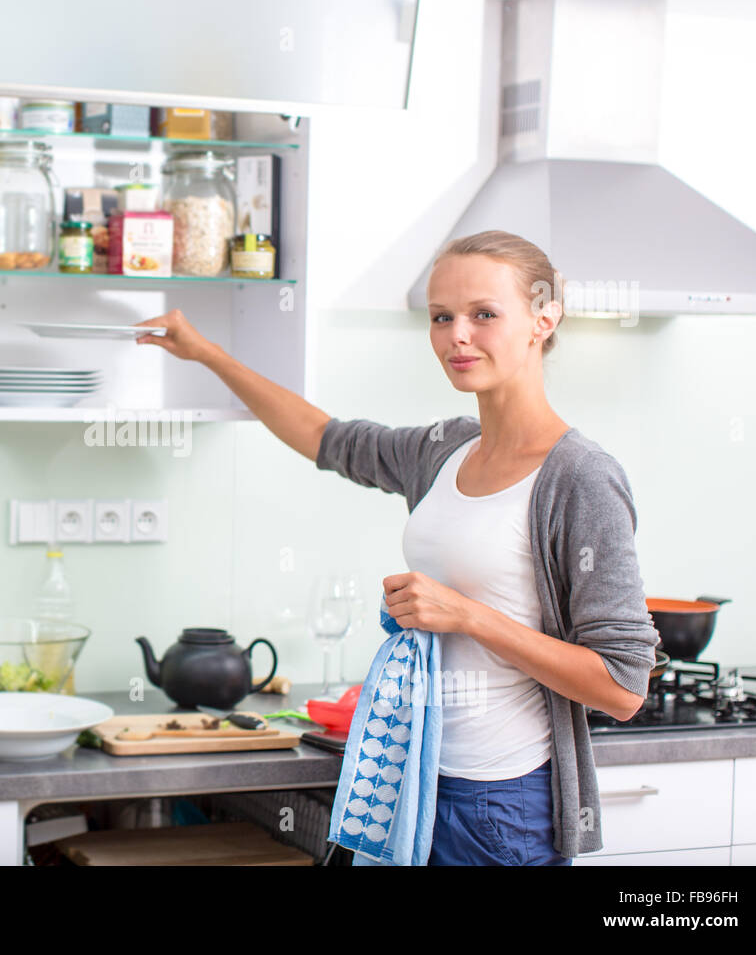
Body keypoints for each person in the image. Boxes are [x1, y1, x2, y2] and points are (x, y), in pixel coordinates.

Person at [133, 229, 659, 865]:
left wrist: (467, 615)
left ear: (543, 320)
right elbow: (326, 438)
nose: (456, 336)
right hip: (409, 781)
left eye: (484, 314)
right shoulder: (444, 448)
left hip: (501, 802)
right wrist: (209, 354)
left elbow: (624, 686)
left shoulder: (580, 478)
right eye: (442, 317)